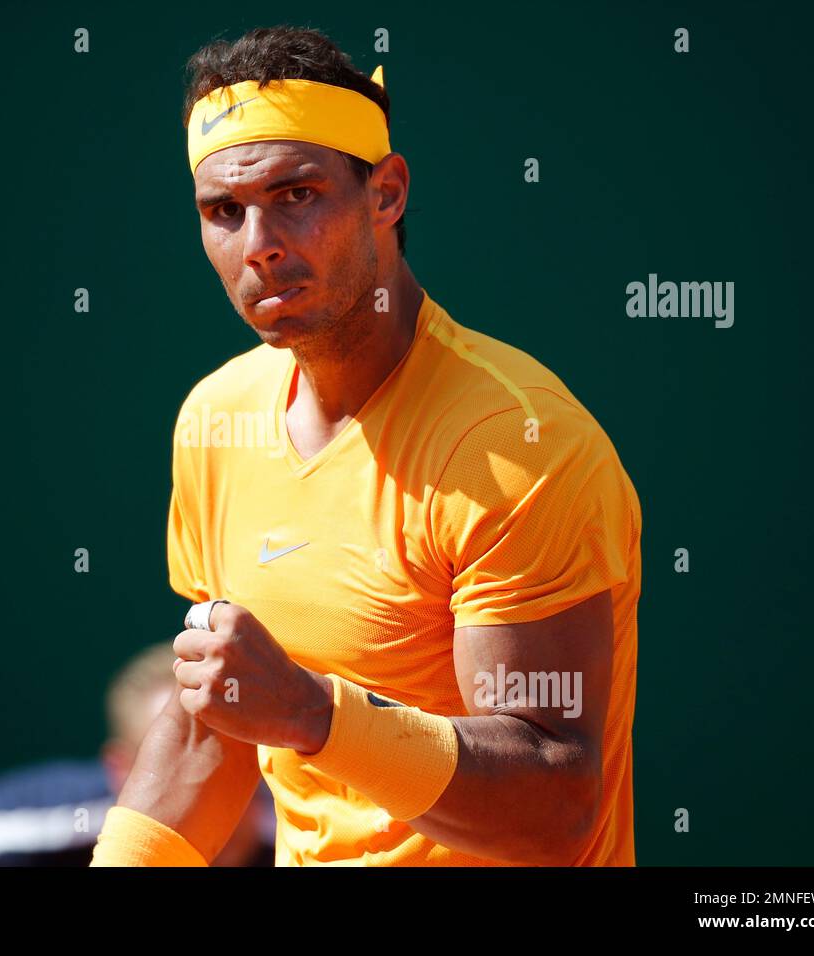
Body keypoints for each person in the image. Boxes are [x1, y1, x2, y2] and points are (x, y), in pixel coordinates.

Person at [91, 26, 642, 867]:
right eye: (223, 212)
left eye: (297, 194)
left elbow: (553, 810)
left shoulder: (516, 445)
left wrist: (314, 716)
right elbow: (218, 727)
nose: (259, 242)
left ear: (385, 194)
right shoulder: (217, 417)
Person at [0, 643, 274, 866]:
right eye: (169, 757)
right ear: (119, 770)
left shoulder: (306, 825)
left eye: (226, 749)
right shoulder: (52, 821)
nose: (204, 777)